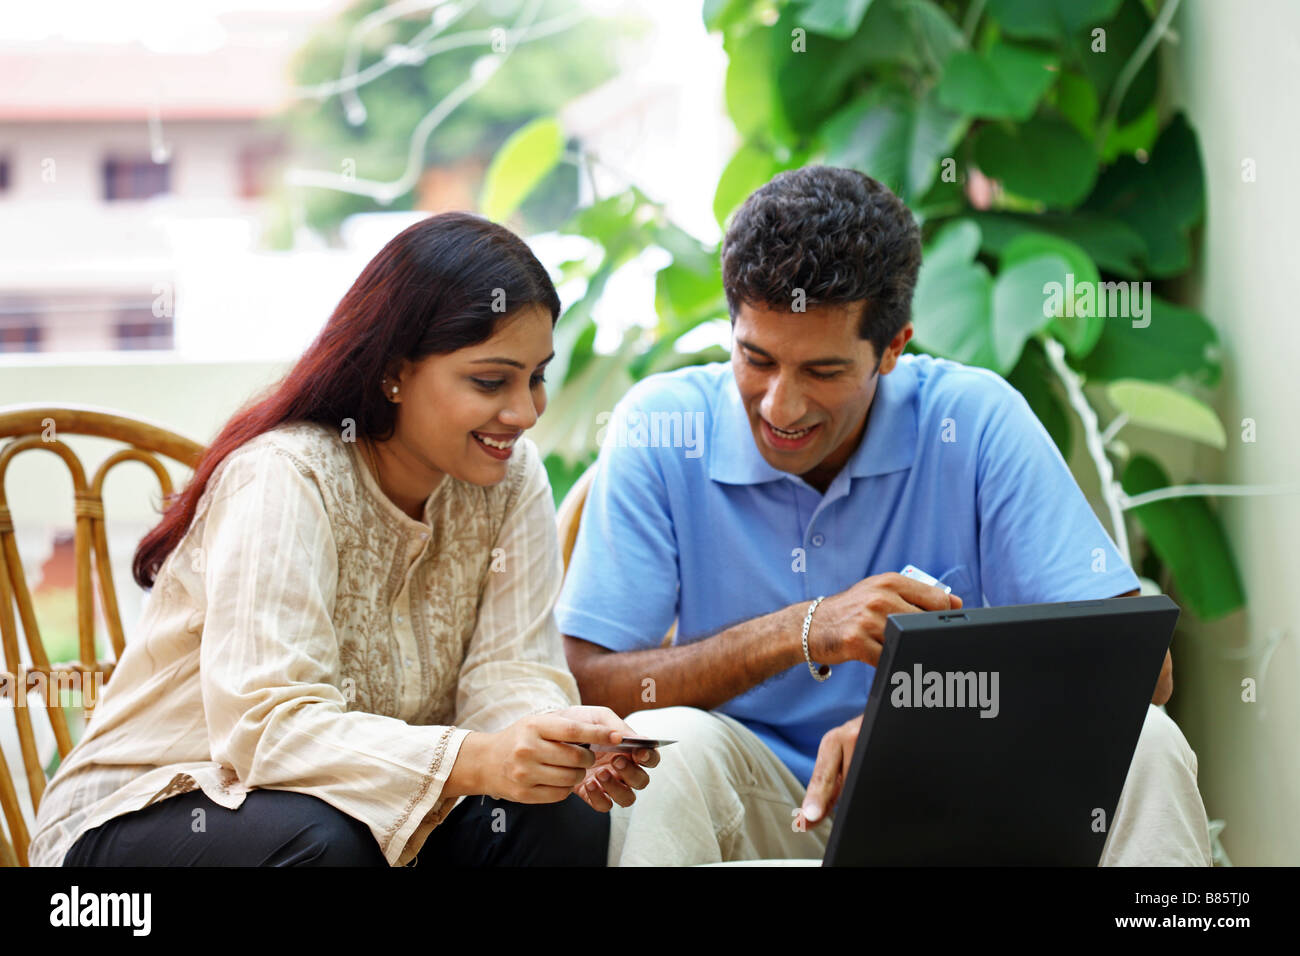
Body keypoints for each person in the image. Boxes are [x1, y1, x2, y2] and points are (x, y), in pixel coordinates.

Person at [556, 166, 1213, 866]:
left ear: (894, 349)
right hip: (768, 803)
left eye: (823, 372)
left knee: (1148, 740)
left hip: (969, 789)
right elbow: (592, 680)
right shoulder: (662, 427)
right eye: (756, 358)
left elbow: (1147, 675)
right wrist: (805, 629)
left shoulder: (975, 419)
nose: (780, 406)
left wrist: (916, 727)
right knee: (672, 750)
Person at [28, 212, 657, 868]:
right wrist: (476, 760)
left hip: (356, 812)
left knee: (554, 816)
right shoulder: (285, 477)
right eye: (490, 381)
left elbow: (509, 671)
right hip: (147, 816)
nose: (525, 412)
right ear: (395, 373)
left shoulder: (510, 476)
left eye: (536, 377)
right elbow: (265, 733)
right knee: (326, 845)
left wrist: (552, 748)